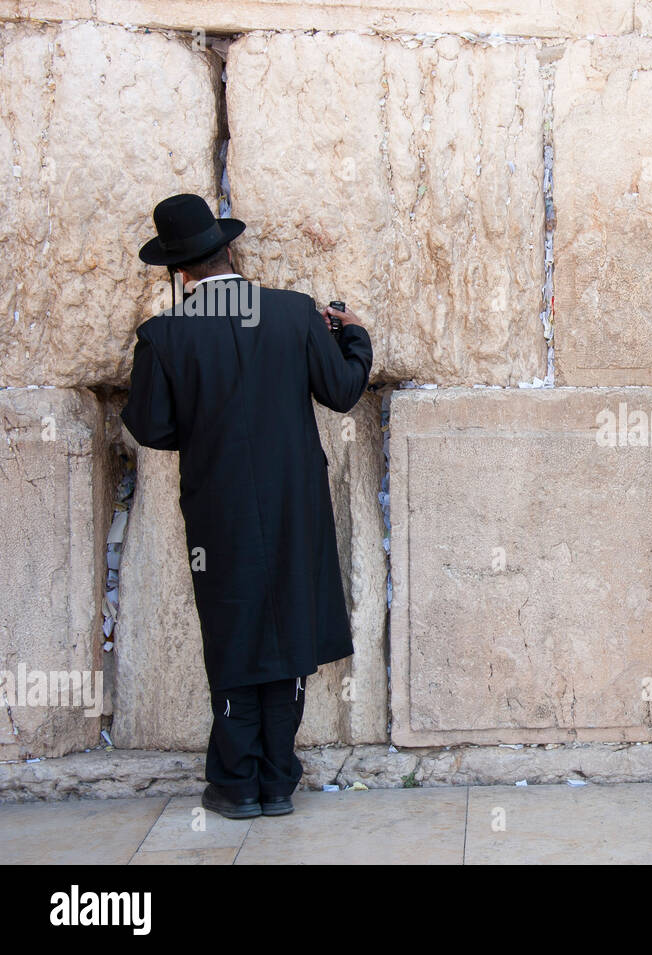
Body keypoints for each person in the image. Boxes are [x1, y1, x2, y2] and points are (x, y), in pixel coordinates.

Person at [122, 193, 372, 819]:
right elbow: (342, 392)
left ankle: (236, 785)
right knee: (290, 621)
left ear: (178, 270)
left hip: (220, 511)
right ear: (227, 249)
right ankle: (279, 781)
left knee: (233, 630)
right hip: (297, 504)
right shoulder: (293, 314)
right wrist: (354, 334)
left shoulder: (164, 335)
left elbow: (150, 428)